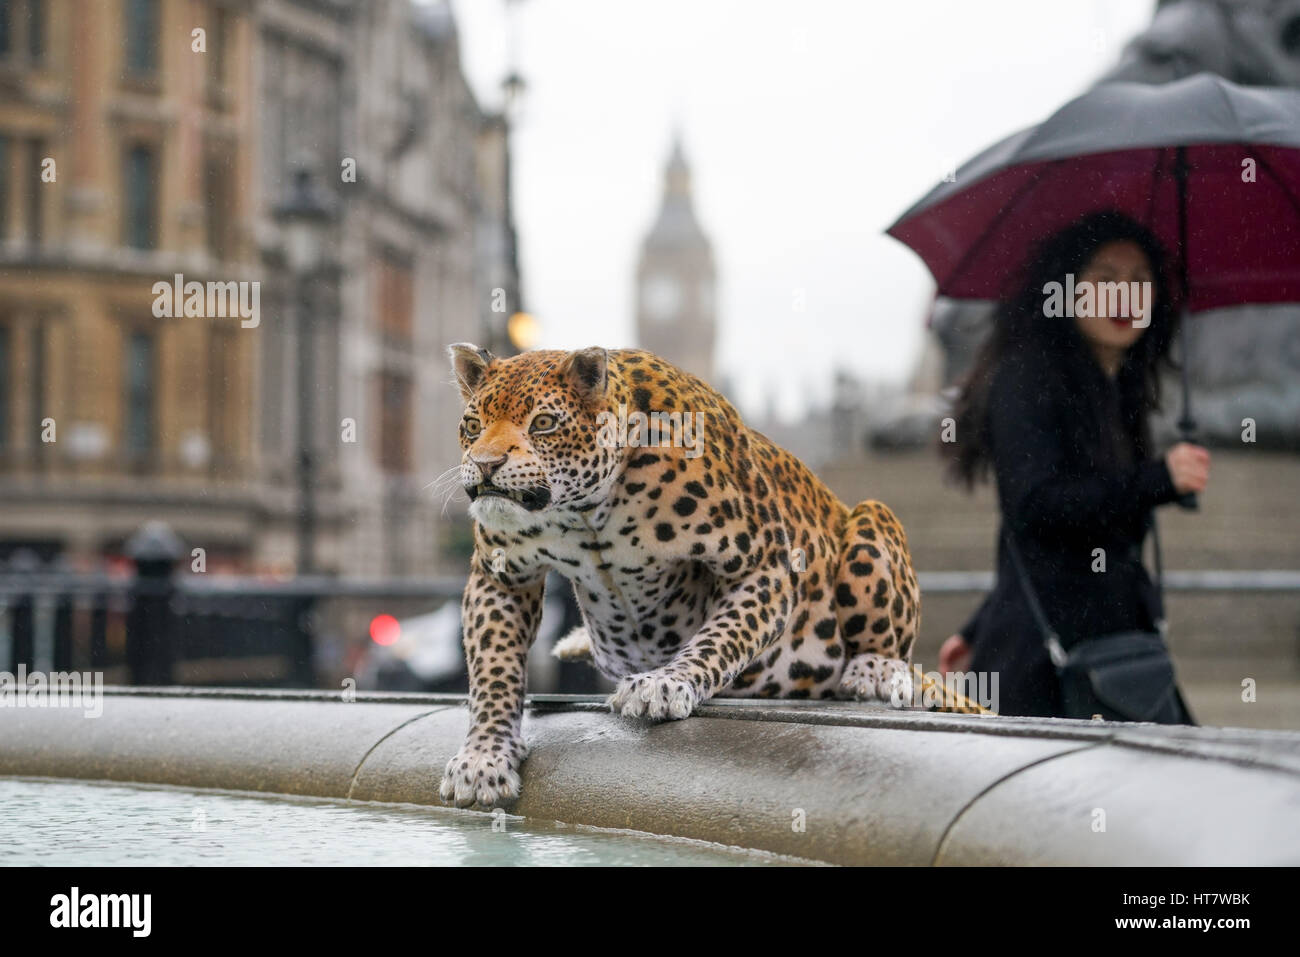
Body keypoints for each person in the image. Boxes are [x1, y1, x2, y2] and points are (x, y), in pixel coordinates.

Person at [938, 211, 1209, 720]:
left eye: (1139, 280)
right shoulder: (1028, 377)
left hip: (1115, 650)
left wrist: (976, 627)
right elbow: (1036, 505)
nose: (1124, 294)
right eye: (1105, 278)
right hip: (1051, 664)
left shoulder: (1118, 390)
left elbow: (1082, 539)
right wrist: (1159, 479)